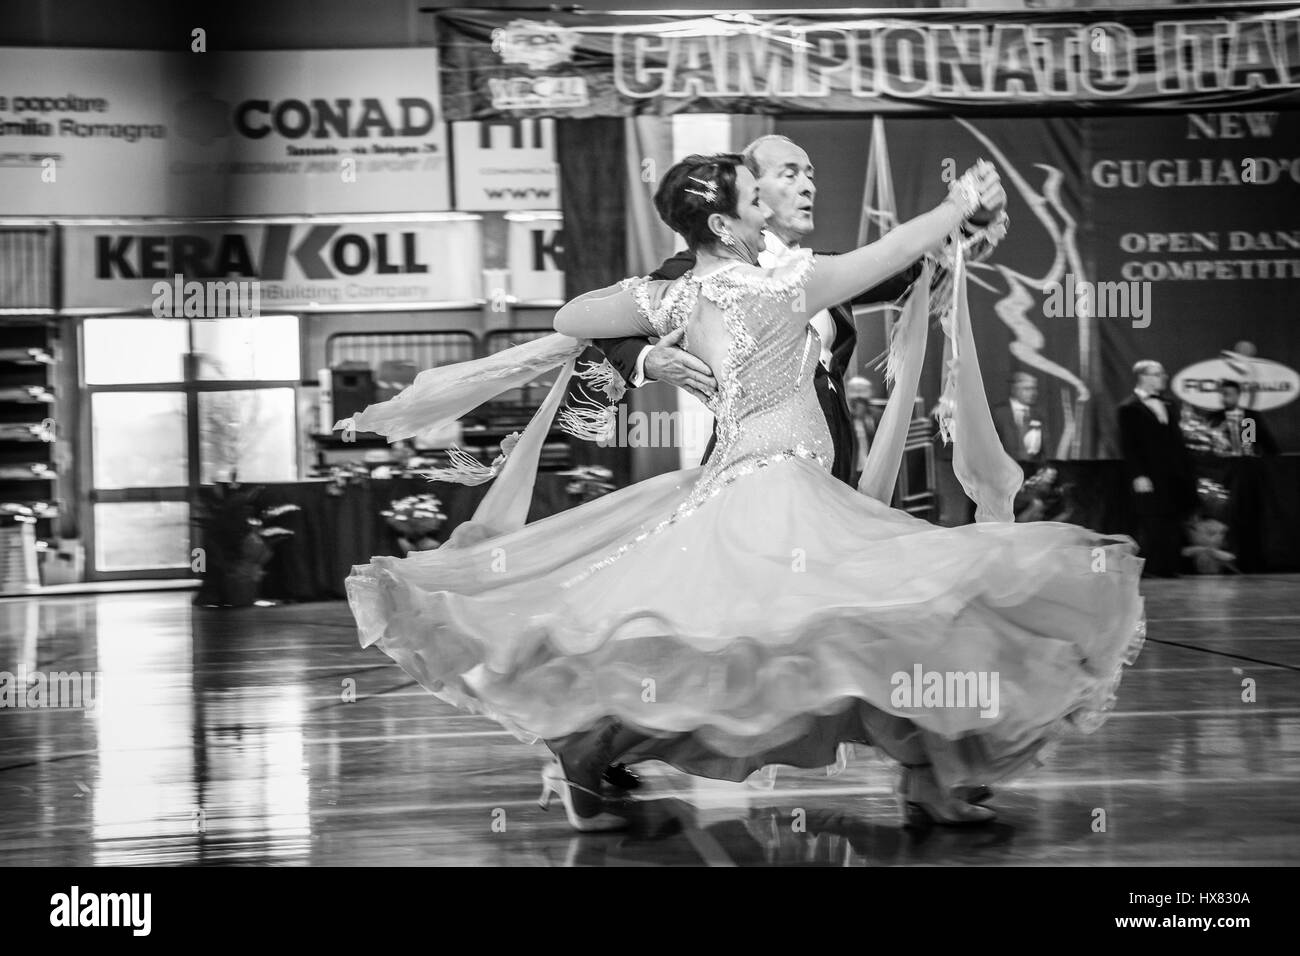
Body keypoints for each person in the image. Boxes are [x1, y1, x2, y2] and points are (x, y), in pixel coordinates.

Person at [341, 155, 1144, 834]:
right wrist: (957, 203)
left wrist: (659, 323)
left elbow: (572, 312)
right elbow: (891, 248)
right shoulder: (785, 285)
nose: (773, 200)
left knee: (776, 634)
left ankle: (918, 773)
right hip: (781, 488)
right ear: (725, 223)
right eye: (757, 194)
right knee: (861, 623)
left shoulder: (682, 294)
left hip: (736, 483)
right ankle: (926, 774)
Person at [593, 135, 923, 488]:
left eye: (810, 175)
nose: (808, 187)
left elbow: (899, 269)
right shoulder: (705, 267)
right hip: (752, 472)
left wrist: (968, 223)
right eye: (790, 174)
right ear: (752, 188)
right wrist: (649, 360)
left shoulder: (813, 271)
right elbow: (605, 319)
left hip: (830, 465)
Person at [1117, 360, 1197, 577]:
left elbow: (1176, 442)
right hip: (1149, 473)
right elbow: (1129, 445)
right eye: (1158, 374)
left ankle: (1171, 566)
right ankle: (1153, 566)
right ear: (1144, 377)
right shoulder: (1129, 408)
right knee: (1152, 519)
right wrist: (1138, 474)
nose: (1164, 377)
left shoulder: (1170, 405)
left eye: (1162, 373)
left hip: (1172, 473)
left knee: (1172, 518)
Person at [1206, 379, 1278, 457]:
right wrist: (1219, 430)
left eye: (1228, 394)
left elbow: (1267, 442)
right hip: (1223, 463)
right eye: (1222, 395)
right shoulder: (1214, 417)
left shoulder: (1251, 416)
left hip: (1248, 462)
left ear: (1238, 395)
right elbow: (1208, 441)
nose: (1224, 398)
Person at [991, 372, 1048, 465]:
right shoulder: (998, 413)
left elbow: (1044, 451)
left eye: (1034, 389)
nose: (1033, 393)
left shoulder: (1038, 415)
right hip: (1005, 471)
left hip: (1032, 472)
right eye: (1027, 389)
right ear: (1014, 389)